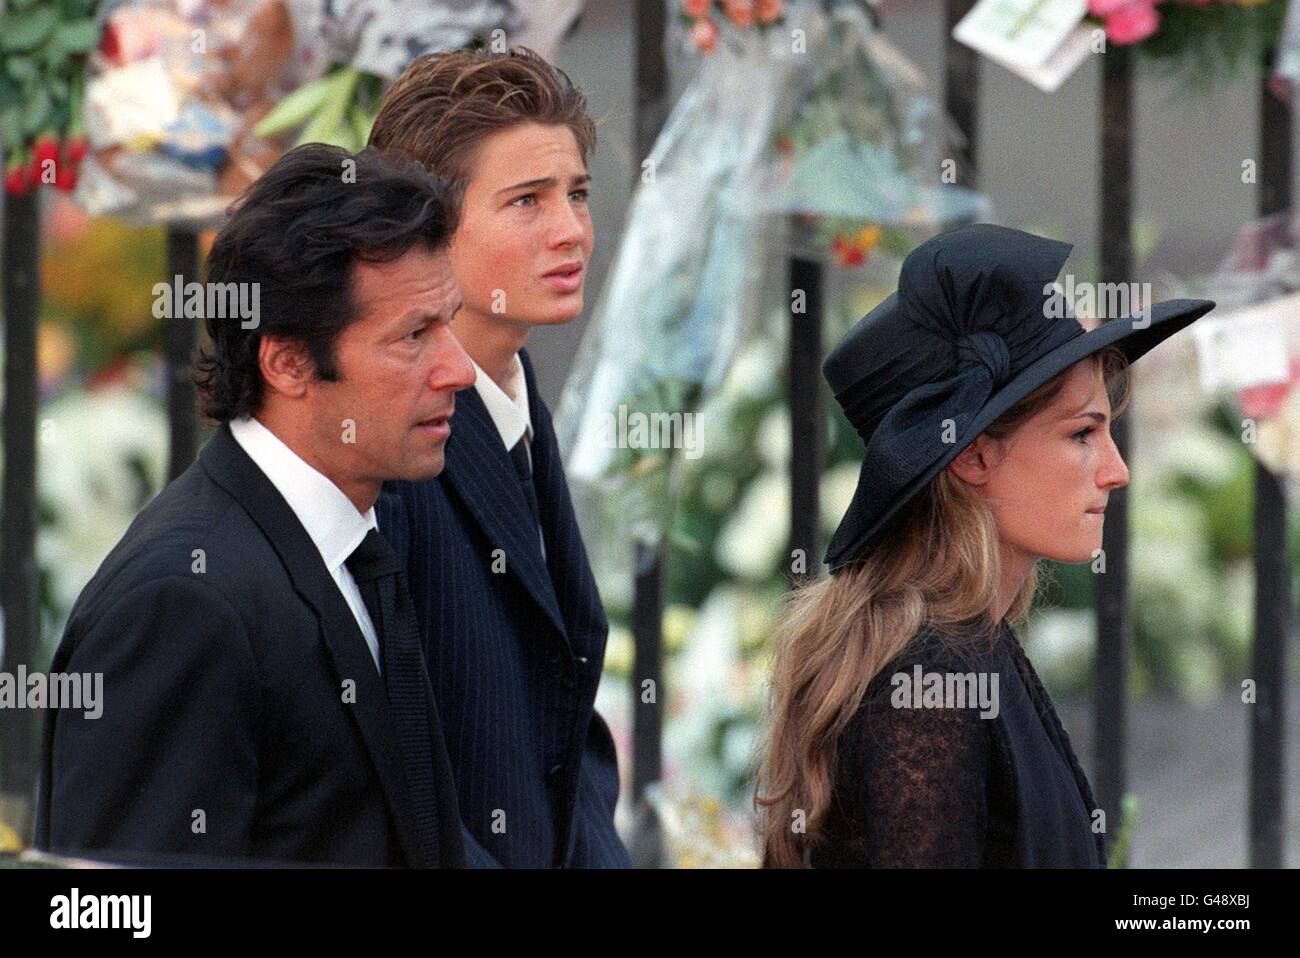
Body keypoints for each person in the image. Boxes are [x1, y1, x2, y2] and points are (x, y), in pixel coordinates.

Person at [36, 144, 476, 867]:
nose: (457, 369)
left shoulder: (360, 538)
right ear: (287, 363)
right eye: (414, 337)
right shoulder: (183, 601)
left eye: (449, 324)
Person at [755, 223, 1215, 868]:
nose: (1117, 470)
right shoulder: (929, 680)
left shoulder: (967, 640)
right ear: (973, 456)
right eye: (1082, 434)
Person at [366, 47, 630, 867]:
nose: (572, 231)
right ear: (428, 226)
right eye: (526, 201)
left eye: (577, 194)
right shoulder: (388, 451)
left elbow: (565, 728)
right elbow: (383, 775)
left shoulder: (517, 403)